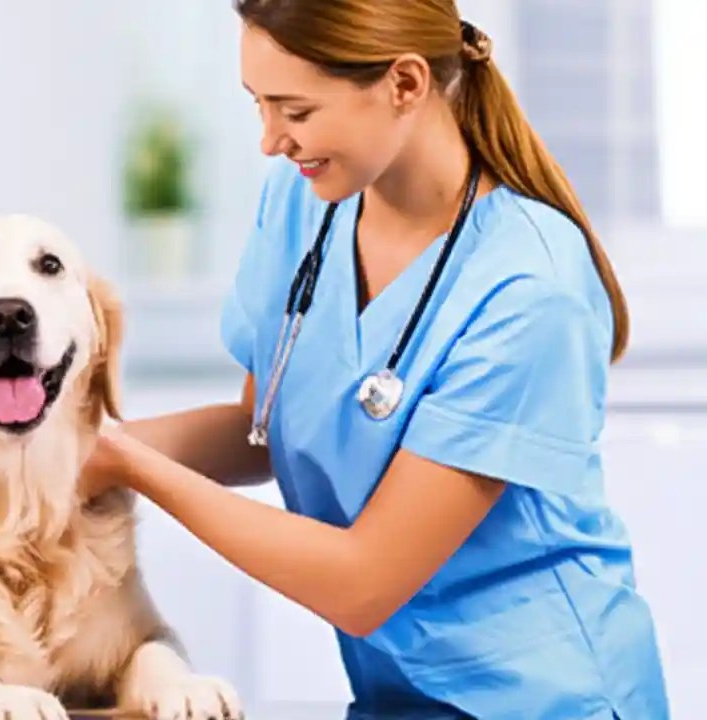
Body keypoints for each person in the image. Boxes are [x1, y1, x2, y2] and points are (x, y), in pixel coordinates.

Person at [81, 2, 671, 718]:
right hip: (397, 694)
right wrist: (63, 452)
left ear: (404, 83)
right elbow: (259, 422)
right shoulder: (307, 203)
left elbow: (363, 583)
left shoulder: (529, 286)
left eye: (294, 109)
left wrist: (129, 466)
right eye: (259, 105)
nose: (271, 141)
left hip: (545, 698)